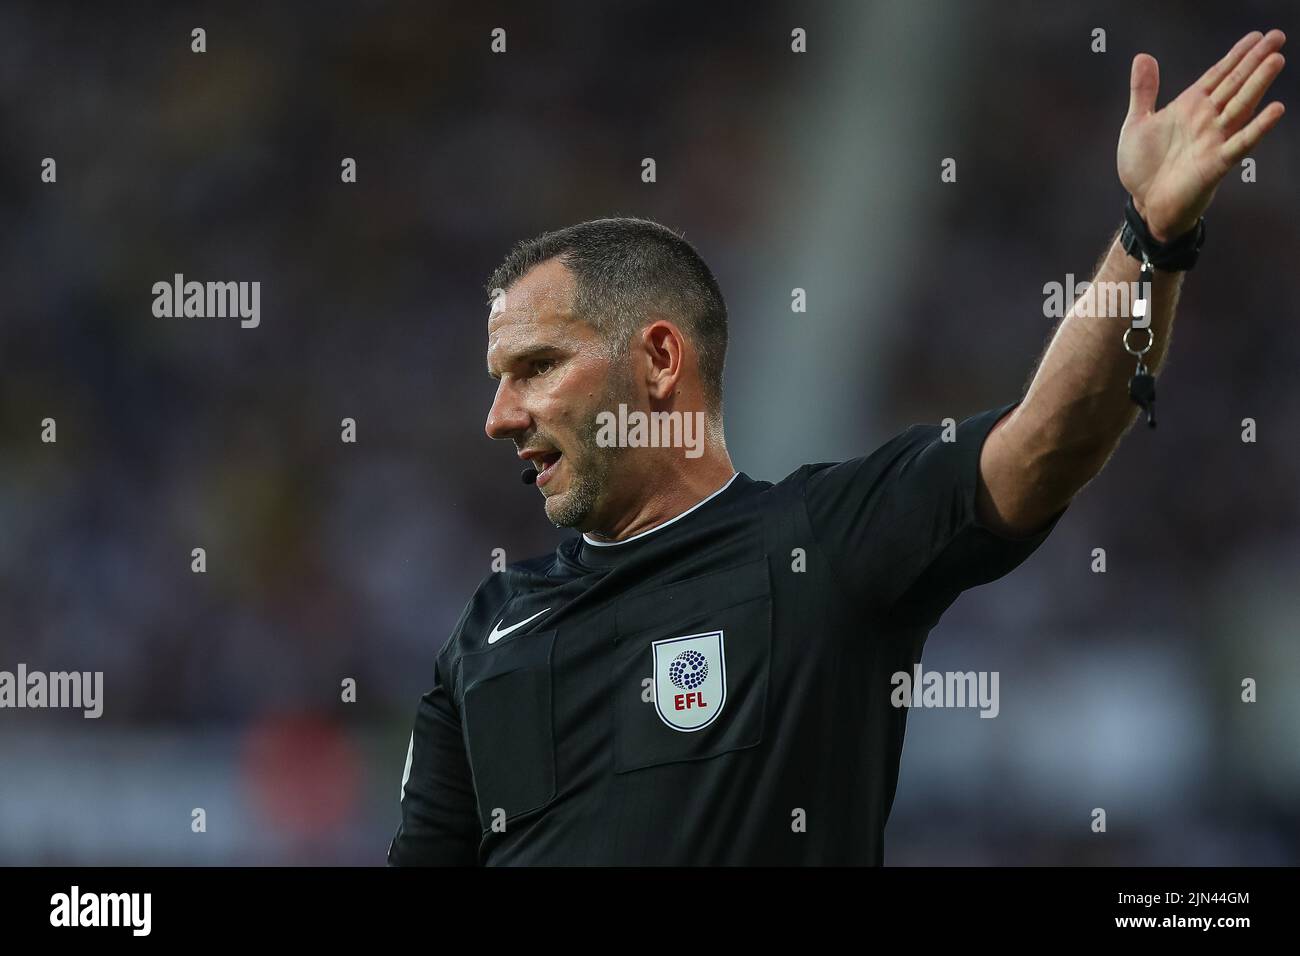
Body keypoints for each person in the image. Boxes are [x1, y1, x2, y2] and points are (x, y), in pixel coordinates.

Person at [389, 30, 1286, 864]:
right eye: (498, 378)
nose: (500, 416)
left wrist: (1151, 239)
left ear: (658, 360)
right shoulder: (488, 630)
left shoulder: (820, 548)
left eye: (536, 367)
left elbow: (1053, 436)